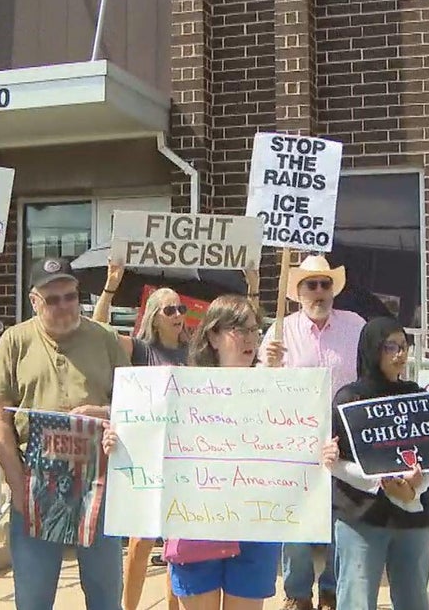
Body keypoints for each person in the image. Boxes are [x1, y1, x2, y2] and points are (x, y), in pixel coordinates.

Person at [103, 294, 337, 610]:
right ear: (213, 335)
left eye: (255, 330)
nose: (251, 338)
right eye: (239, 329)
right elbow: (147, 440)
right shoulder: (179, 387)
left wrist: (323, 454)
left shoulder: (280, 389)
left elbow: (296, 449)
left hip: (255, 528)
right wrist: (121, 442)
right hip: (195, 528)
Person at [92, 261, 261, 610]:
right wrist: (120, 437)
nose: (179, 313)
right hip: (176, 496)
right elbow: (98, 336)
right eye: (170, 308)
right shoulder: (157, 363)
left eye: (182, 308)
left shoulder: (204, 364)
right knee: (142, 545)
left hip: (237, 512)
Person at [0, 257, 129, 610]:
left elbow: (135, 406)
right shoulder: (14, 341)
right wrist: (16, 483)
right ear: (34, 301)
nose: (64, 306)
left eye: (70, 296)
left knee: (105, 596)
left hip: (98, 485)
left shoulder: (106, 339)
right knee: (33, 598)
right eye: (53, 300)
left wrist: (106, 414)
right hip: (35, 484)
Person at [261, 255, 366, 610]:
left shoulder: (356, 326)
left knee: (343, 518)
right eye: (312, 284)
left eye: (325, 284)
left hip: (345, 437)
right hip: (296, 439)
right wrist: (269, 366)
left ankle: (332, 590)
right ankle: (297, 593)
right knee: (297, 519)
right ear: (298, 292)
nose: (320, 292)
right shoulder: (280, 331)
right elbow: (259, 390)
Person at [328, 316, 429, 610]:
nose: (400, 354)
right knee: (356, 601)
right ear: (372, 349)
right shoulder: (349, 399)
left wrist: (416, 486)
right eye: (390, 346)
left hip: (412, 519)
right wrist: (382, 481)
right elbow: (335, 459)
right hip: (361, 518)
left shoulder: (417, 395)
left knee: (413, 600)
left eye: (404, 346)